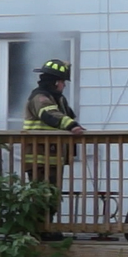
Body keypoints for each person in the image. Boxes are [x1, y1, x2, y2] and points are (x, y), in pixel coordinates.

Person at [22, 59, 85, 239]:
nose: (64, 86)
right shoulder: (40, 97)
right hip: (39, 158)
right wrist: (72, 126)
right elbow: (50, 114)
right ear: (56, 82)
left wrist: (74, 124)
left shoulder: (57, 99)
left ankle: (47, 228)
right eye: (63, 82)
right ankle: (40, 231)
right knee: (42, 195)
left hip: (53, 157)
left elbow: (68, 115)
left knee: (52, 196)